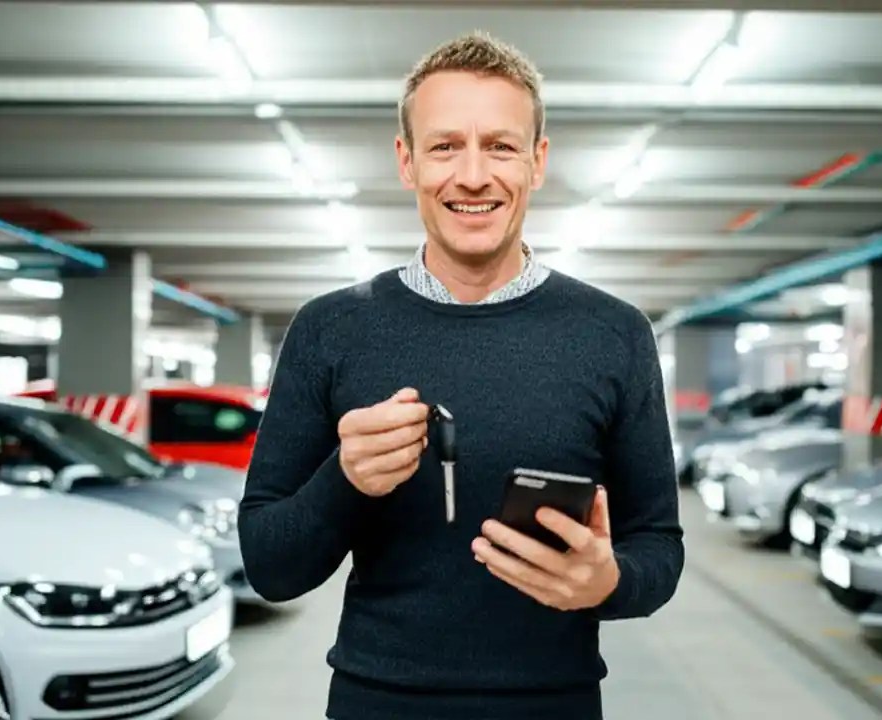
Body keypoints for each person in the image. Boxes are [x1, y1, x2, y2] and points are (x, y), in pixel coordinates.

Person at [239, 30, 685, 720]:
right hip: (375, 703)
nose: (472, 175)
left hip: (554, 705)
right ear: (406, 161)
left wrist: (608, 582)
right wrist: (345, 478)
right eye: (445, 146)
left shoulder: (614, 334)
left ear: (537, 163)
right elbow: (270, 566)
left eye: (500, 146)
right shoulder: (329, 330)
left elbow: (658, 547)